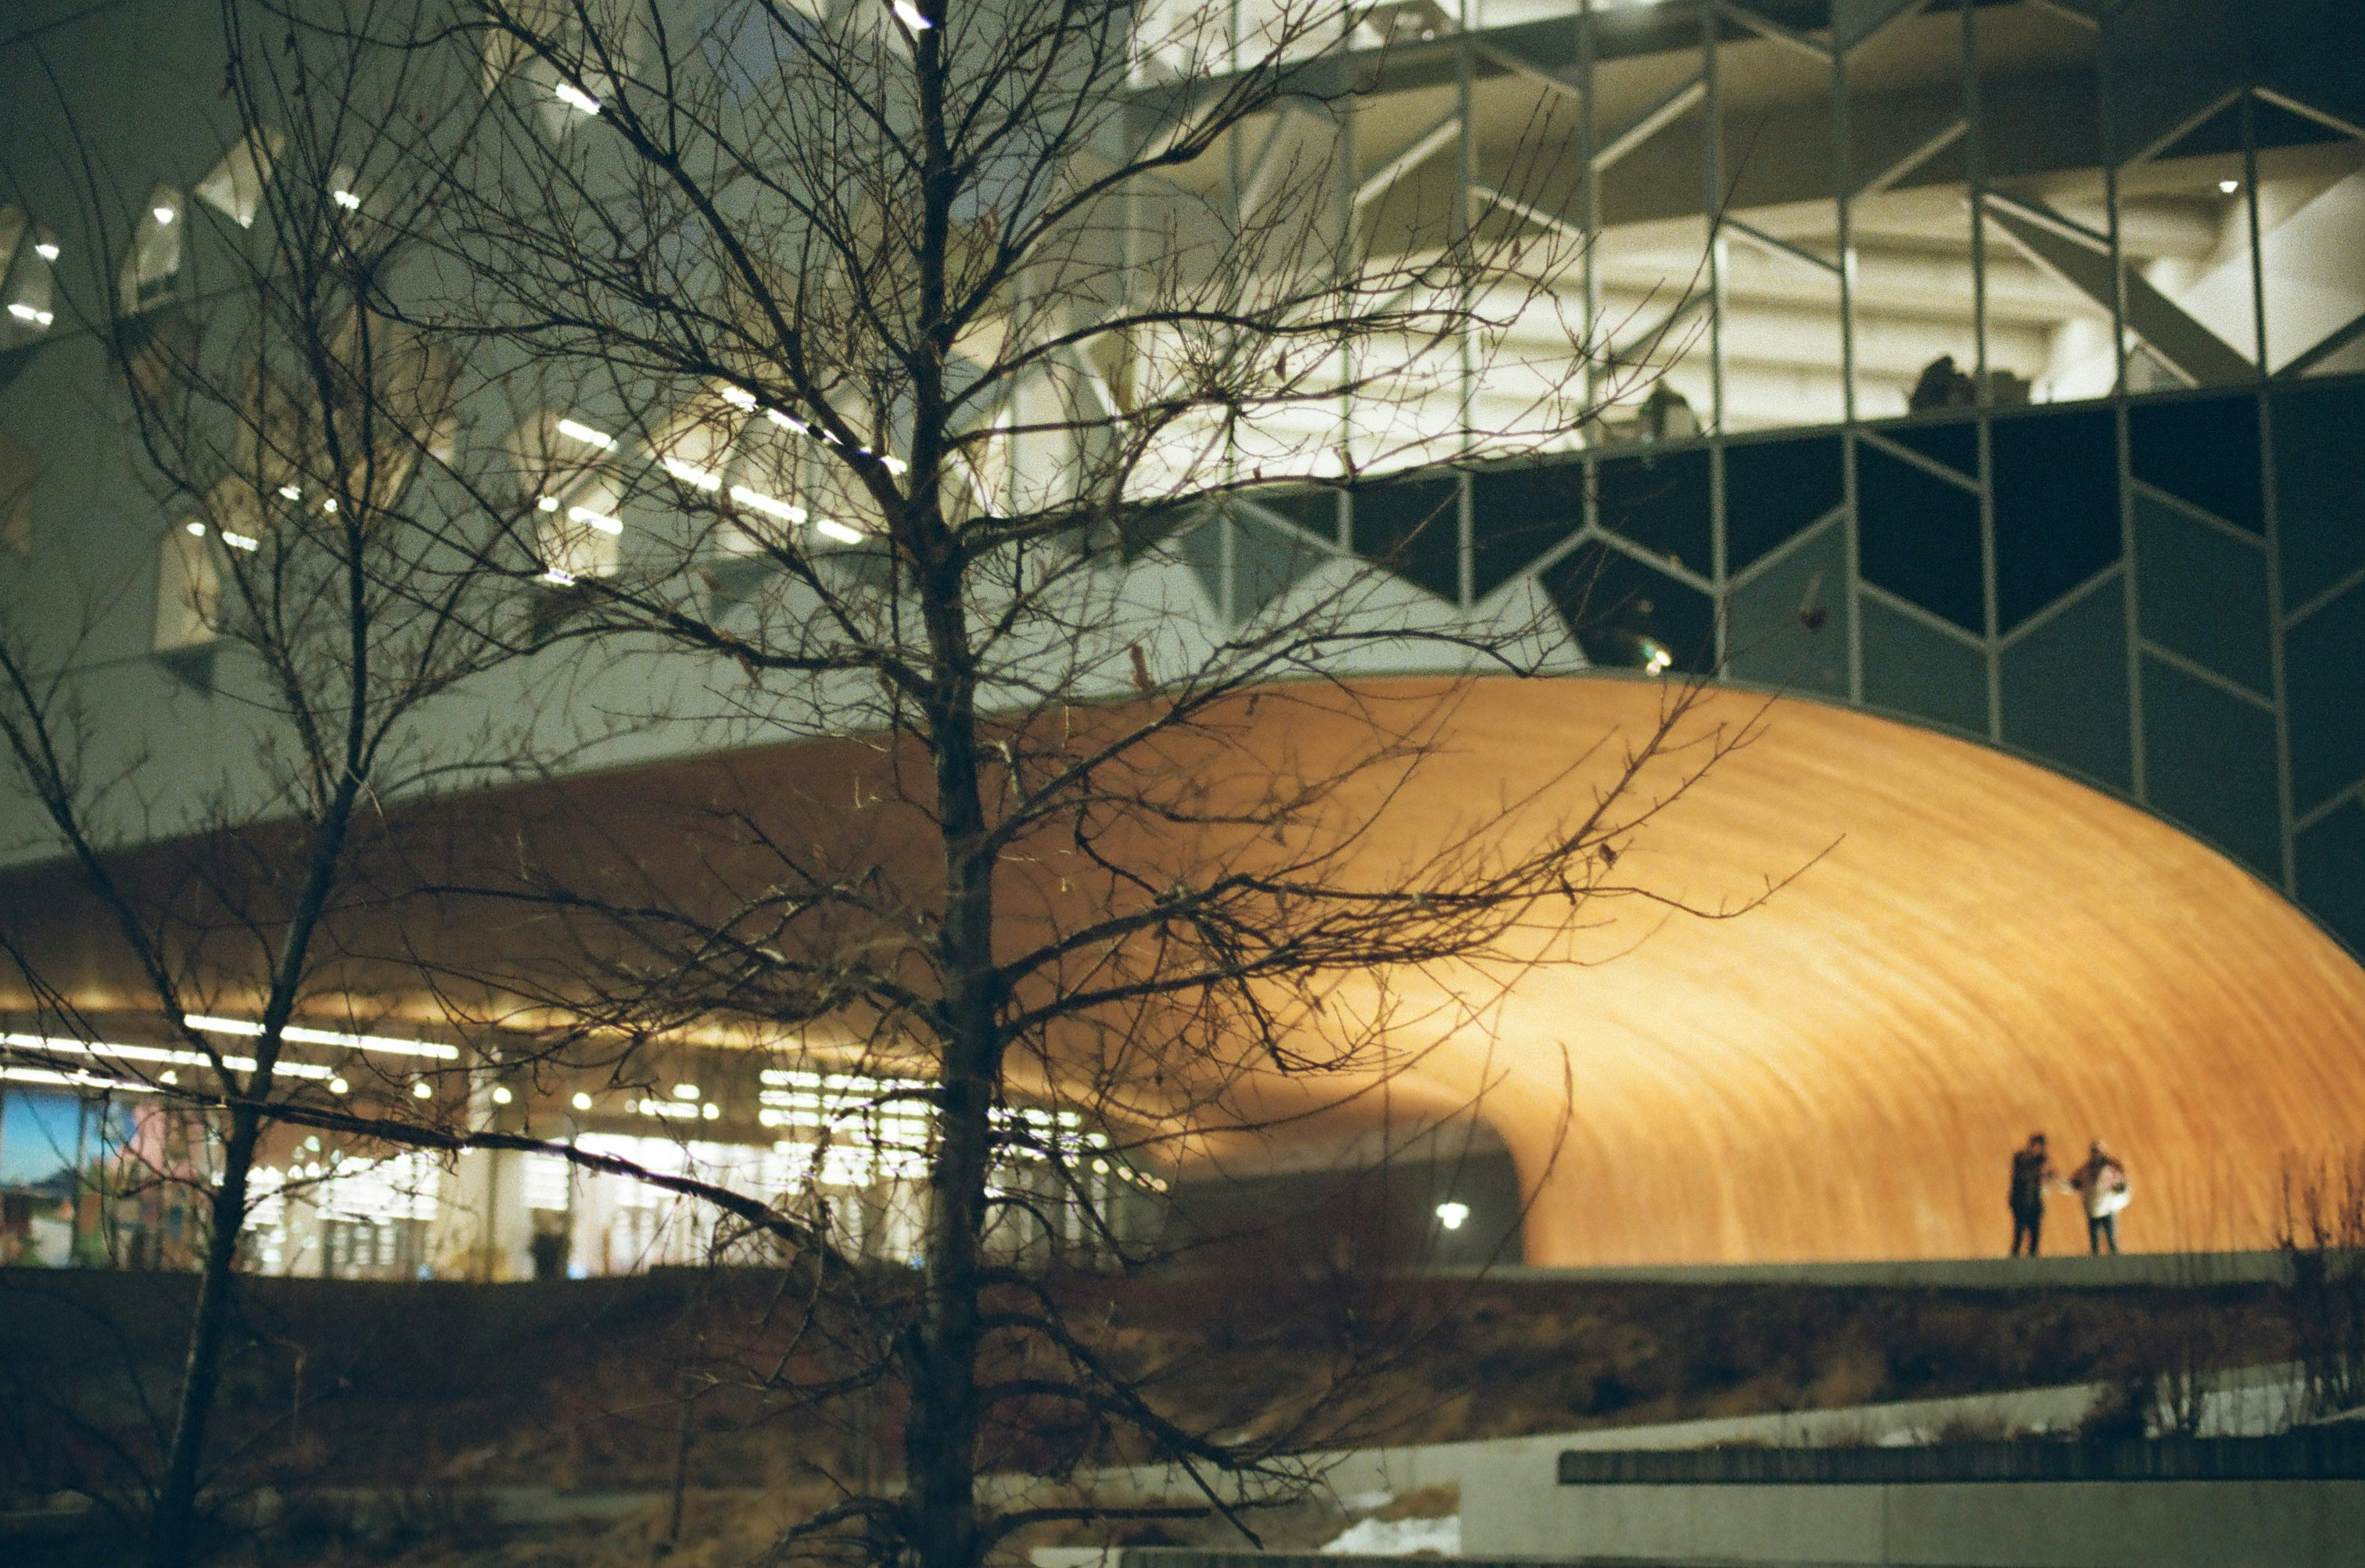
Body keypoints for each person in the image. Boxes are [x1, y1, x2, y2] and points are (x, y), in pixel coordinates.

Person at [2069, 1140, 2130, 1254]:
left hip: (2108, 1209)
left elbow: (2121, 1185)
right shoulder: (2086, 1169)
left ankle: (2115, 1264)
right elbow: (2074, 1183)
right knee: (2095, 1244)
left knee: (2111, 1240)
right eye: (2094, 1152)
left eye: (2097, 1152)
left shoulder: (2111, 1168)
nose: (2096, 1154)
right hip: (2093, 1210)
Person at [2008, 1132, 2055, 1256]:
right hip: (2021, 1203)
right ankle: (2014, 1262)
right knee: (2019, 1234)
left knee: (2035, 1235)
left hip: (2035, 1203)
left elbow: (2047, 1179)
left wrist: (2048, 1175)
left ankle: (2033, 1262)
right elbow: (2021, 1175)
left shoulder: (2042, 1160)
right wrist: (2041, 1171)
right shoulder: (2020, 1158)